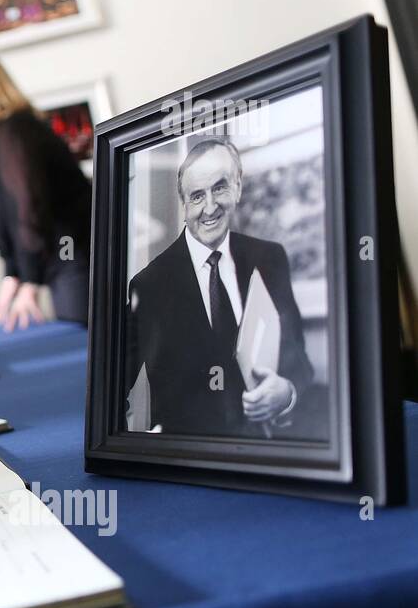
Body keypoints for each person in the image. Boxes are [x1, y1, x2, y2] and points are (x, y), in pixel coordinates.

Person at [125, 139, 313, 437]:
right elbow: (118, 388)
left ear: (237, 188)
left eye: (220, 188)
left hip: (271, 448)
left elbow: (298, 360)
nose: (210, 207)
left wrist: (287, 393)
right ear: (184, 204)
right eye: (197, 196)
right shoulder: (149, 285)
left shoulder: (270, 258)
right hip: (192, 459)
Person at [0, 55, 93, 328]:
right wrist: (13, 274)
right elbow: (5, 217)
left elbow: (30, 207)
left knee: (85, 338)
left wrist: (31, 280)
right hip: (57, 257)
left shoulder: (17, 132)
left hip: (73, 252)